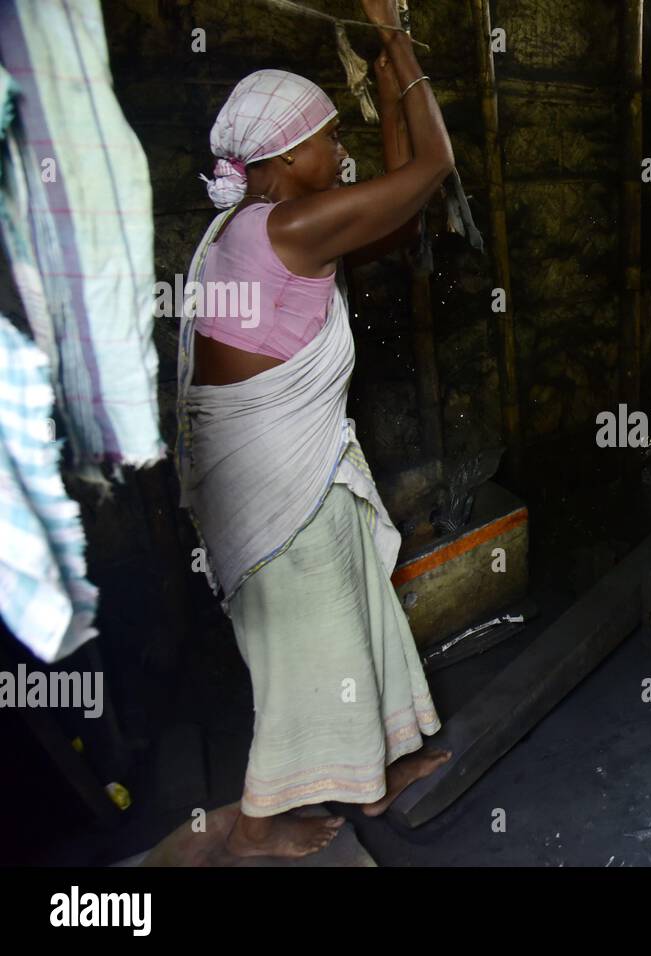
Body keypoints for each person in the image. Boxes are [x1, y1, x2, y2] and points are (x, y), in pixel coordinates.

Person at [176, 0, 455, 858]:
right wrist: (395, 37)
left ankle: (374, 773)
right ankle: (257, 822)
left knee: (354, 614)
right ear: (288, 157)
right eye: (331, 139)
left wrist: (385, 68)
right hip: (277, 482)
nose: (341, 152)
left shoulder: (260, 226)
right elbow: (433, 169)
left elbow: (397, 216)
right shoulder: (288, 228)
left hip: (287, 465)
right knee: (309, 647)